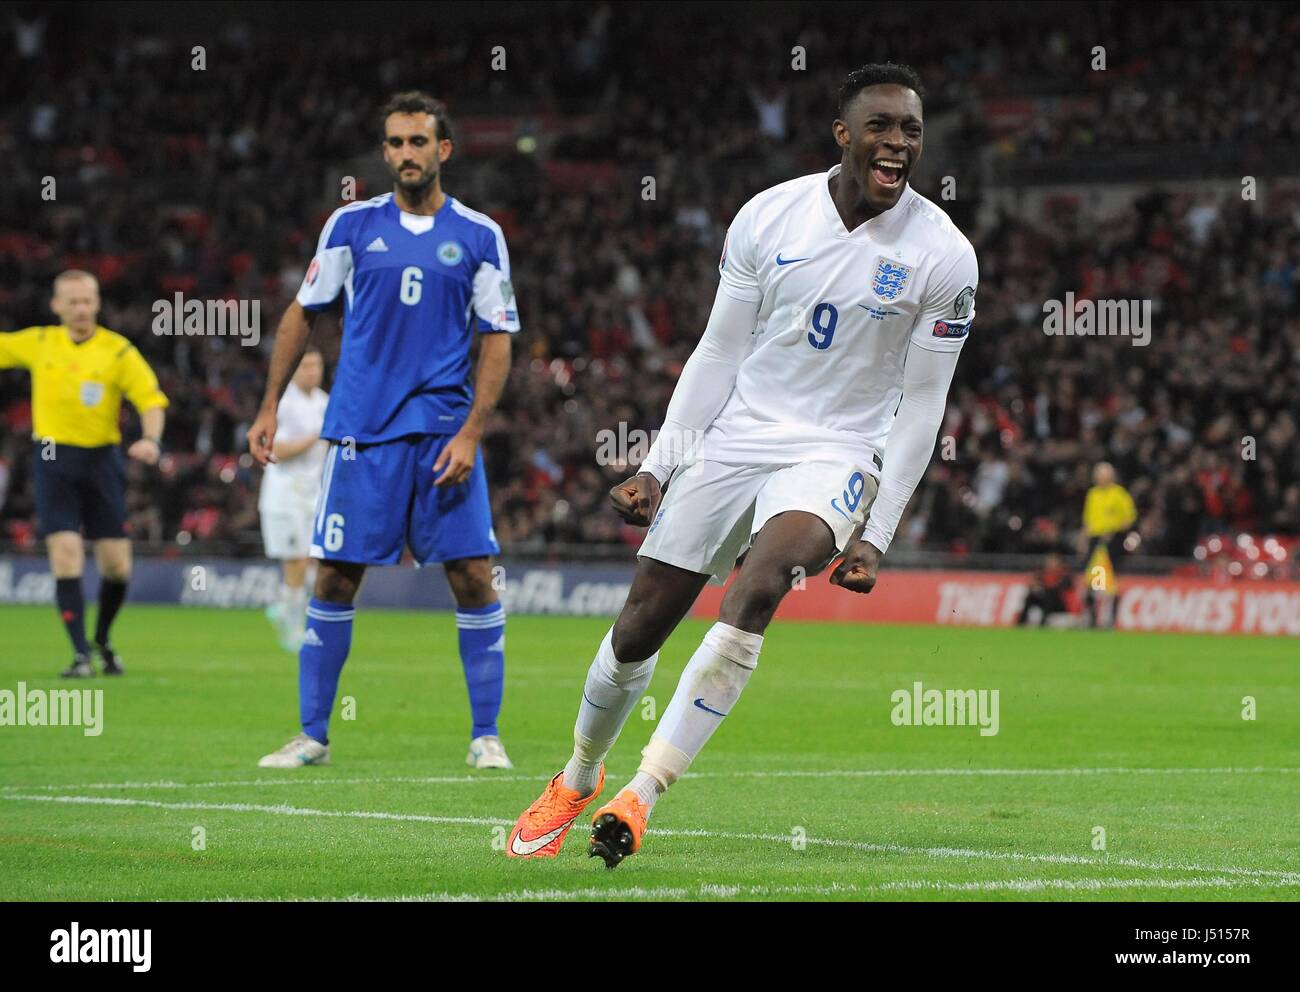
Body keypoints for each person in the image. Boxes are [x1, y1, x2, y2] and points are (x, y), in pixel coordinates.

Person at [507, 62, 978, 867]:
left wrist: (879, 532)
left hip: (836, 451)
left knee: (759, 585)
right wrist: (659, 464)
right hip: (737, 436)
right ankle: (580, 775)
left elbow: (924, 404)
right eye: (882, 126)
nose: (899, 143)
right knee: (637, 630)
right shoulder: (770, 216)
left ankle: (642, 793)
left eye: (911, 130)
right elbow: (719, 350)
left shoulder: (945, 256)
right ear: (844, 134)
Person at [248, 92, 518, 770]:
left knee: (473, 577)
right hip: (363, 434)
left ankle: (486, 736)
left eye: (417, 143)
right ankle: (313, 735)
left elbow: (497, 338)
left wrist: (471, 433)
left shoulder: (481, 236)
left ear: (443, 150)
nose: (404, 154)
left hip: (443, 437)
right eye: (394, 143)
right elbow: (302, 312)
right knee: (334, 579)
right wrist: (268, 405)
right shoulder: (350, 226)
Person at [0, 270, 167, 677]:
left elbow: (150, 398)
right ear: (57, 305)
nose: (80, 308)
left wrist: (152, 439)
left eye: (87, 301)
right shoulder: (40, 342)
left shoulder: (117, 350)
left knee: (116, 566)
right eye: (71, 301)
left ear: (97, 303)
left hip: (102, 461)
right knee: (66, 553)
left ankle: (102, 640)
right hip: (53, 458)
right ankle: (79, 657)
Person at [258, 348, 329, 651]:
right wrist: (316, 437)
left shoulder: (325, 402)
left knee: (317, 561)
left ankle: (284, 609)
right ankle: (294, 629)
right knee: (297, 561)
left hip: (315, 494)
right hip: (285, 494)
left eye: (317, 365)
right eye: (306, 366)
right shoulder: (281, 403)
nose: (312, 371)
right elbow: (276, 450)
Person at [1080, 461, 1137, 629]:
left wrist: (1114, 530)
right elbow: (1087, 520)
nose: (1100, 479)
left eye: (1103, 476)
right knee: (1093, 580)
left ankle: (1109, 619)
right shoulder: (1092, 494)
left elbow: (1130, 518)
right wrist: (1084, 539)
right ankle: (1092, 618)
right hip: (1095, 541)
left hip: (1112, 540)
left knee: (1110, 580)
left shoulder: (1119, 494)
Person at [1016, 553, 1073, 626]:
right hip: (1046, 601)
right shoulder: (1043, 573)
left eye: (1053, 561)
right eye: (1049, 561)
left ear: (1059, 563)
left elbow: (1059, 590)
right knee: (1031, 596)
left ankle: (1042, 623)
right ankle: (1021, 623)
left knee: (1050, 595)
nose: (1050, 563)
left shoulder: (1064, 575)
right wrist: (1036, 588)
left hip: (1061, 604)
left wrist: (1044, 590)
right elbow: (1036, 583)